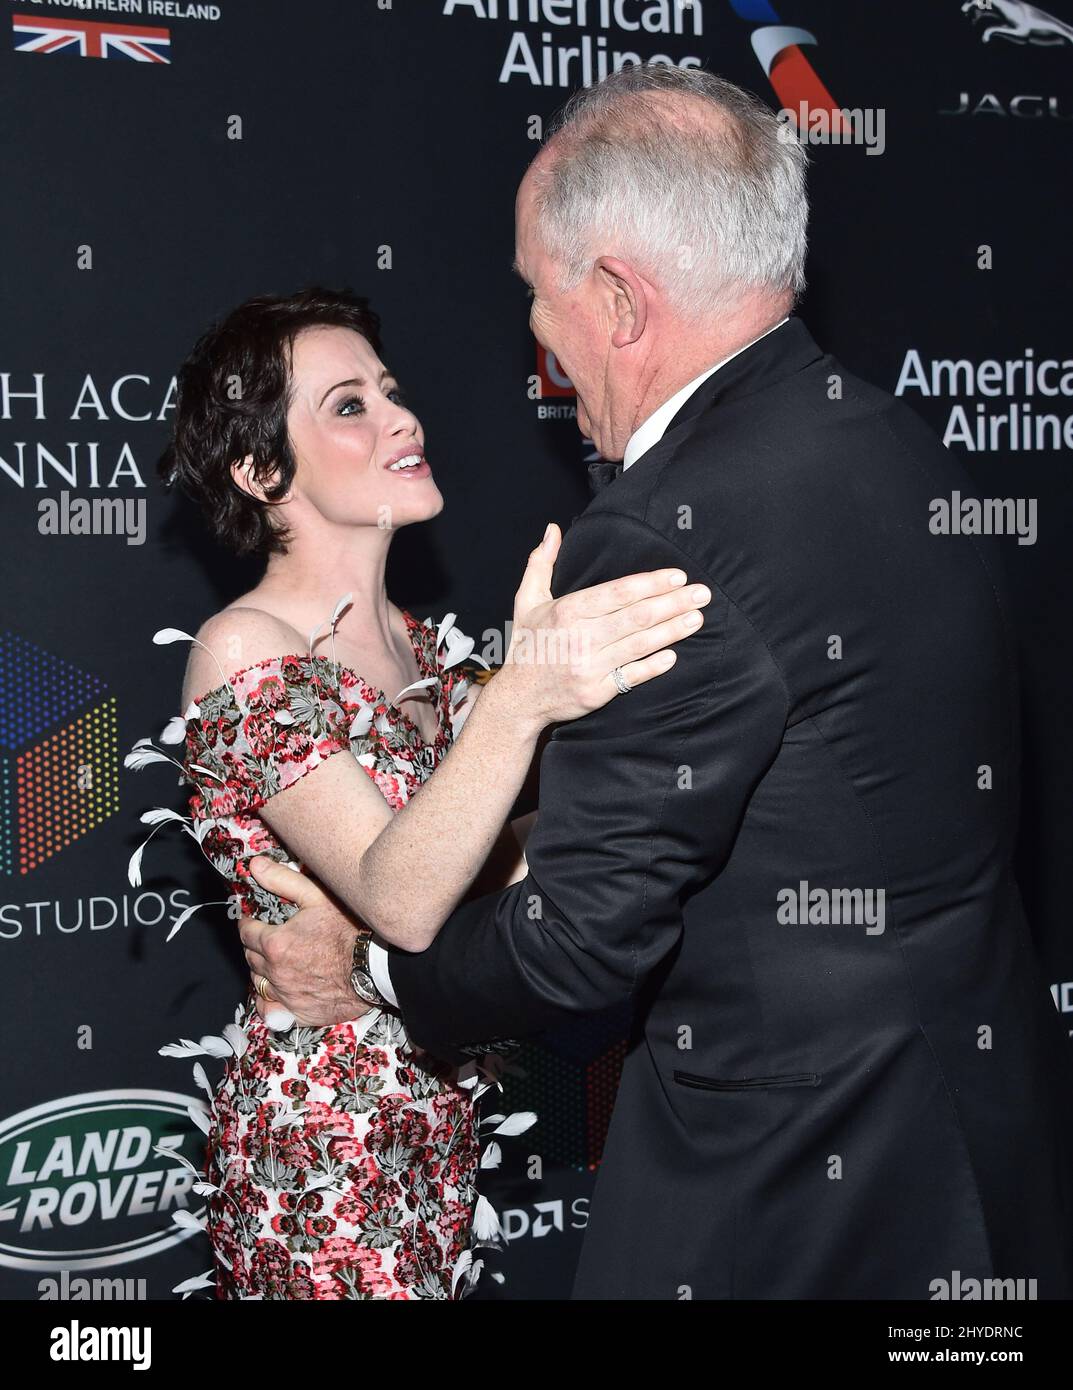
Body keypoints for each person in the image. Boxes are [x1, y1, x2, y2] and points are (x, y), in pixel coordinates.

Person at [240, 67, 1073, 1300]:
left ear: (618, 300)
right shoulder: (892, 440)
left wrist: (365, 969)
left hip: (800, 1184)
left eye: (538, 295)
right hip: (977, 1137)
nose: (535, 339)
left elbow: (576, 948)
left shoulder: (665, 530)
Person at [130, 286, 709, 1300]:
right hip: (327, 1143)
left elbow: (476, 858)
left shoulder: (420, 649)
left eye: (390, 391)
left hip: (435, 1115)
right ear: (263, 471)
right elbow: (402, 894)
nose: (402, 417)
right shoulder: (243, 648)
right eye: (348, 405)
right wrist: (520, 699)